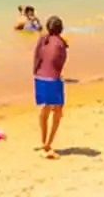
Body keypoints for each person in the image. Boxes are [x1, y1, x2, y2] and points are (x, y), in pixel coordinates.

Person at [34, 16, 68, 159]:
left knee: (45, 108)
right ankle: (48, 144)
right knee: (58, 112)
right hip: (52, 79)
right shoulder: (61, 43)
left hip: (39, 77)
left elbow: (36, 58)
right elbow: (60, 63)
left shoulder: (42, 39)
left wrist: (35, 73)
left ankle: (43, 141)